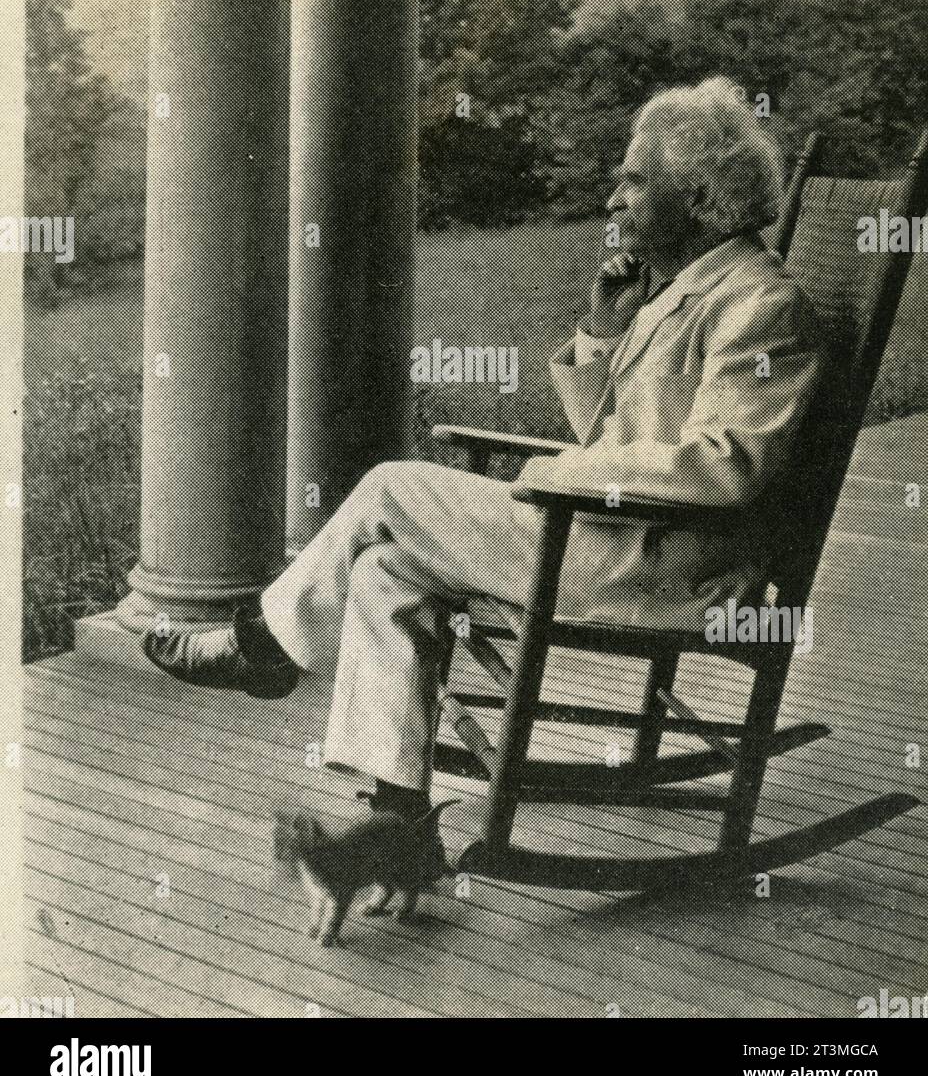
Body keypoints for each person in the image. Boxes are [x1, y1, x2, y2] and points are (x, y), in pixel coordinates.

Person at [145, 76, 822, 836]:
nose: (612, 201)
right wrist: (604, 333)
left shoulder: (762, 305)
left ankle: (265, 645)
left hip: (669, 569)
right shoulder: (684, 290)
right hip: (617, 540)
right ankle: (397, 820)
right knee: (383, 570)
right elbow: (617, 438)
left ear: (698, 198)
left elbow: (728, 465)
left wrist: (555, 476)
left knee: (390, 488)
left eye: (633, 182)